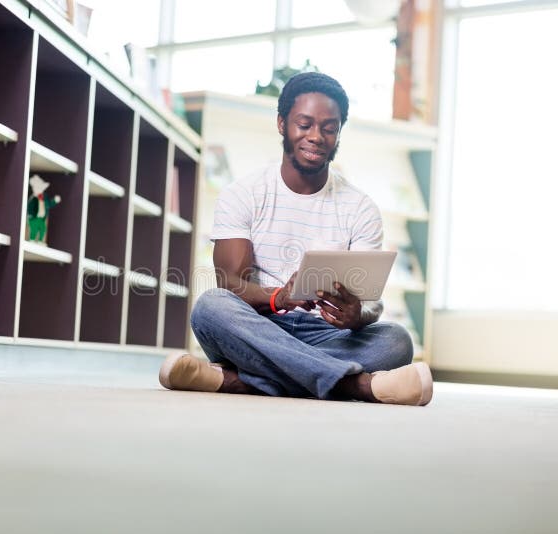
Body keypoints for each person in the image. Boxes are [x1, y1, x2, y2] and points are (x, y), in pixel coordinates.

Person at [159, 72, 433, 406]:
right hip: (259, 326)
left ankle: (233, 380)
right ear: (281, 124)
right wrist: (278, 298)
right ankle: (356, 386)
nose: (316, 136)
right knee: (210, 308)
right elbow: (229, 283)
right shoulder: (243, 193)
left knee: (396, 341)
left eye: (329, 128)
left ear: (339, 133)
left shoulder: (360, 208)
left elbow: (371, 301)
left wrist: (357, 314)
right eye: (304, 124)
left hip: (326, 334)